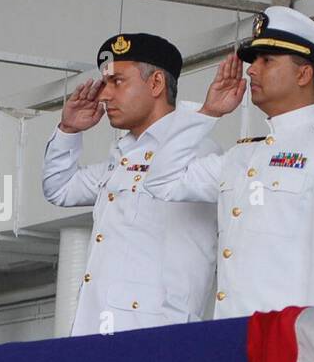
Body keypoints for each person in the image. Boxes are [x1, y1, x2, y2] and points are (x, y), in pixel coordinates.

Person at [144, 6, 314, 318]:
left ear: (303, 74)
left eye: (267, 61)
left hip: (287, 344)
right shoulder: (241, 155)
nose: (251, 71)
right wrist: (208, 113)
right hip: (231, 337)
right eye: (254, 62)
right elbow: (161, 181)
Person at [42, 33, 218, 334]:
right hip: (99, 330)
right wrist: (69, 130)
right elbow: (60, 188)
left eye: (117, 82)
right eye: (104, 83)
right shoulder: (124, 155)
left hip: (152, 334)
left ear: (156, 84)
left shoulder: (196, 151)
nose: (104, 95)